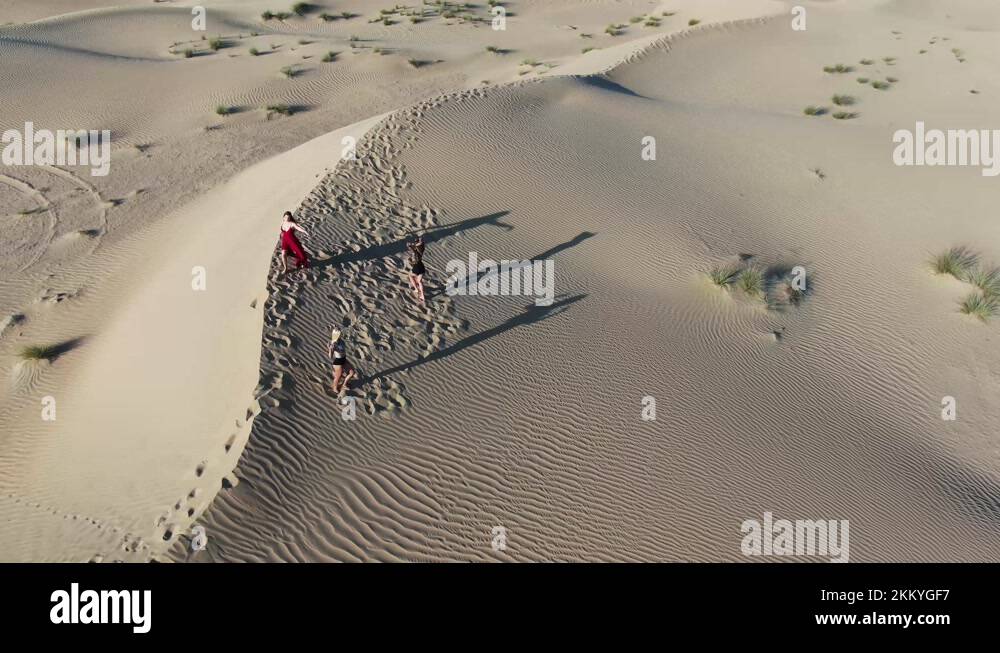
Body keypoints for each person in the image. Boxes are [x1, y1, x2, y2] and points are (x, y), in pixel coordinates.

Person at [328, 327, 355, 394]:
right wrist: (330, 349)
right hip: (338, 362)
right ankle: (334, 388)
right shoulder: (333, 344)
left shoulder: (340, 340)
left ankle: (344, 384)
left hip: (344, 359)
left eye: (340, 333)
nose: (340, 334)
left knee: (352, 372)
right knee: (338, 377)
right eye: (338, 333)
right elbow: (330, 356)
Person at [406, 234, 426, 305]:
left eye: (416, 241)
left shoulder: (416, 249)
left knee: (410, 276)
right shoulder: (422, 248)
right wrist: (419, 241)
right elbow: (418, 245)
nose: (415, 242)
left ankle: (416, 289)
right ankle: (422, 295)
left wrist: (409, 246)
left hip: (416, 266)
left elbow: (413, 250)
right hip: (421, 266)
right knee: (420, 281)